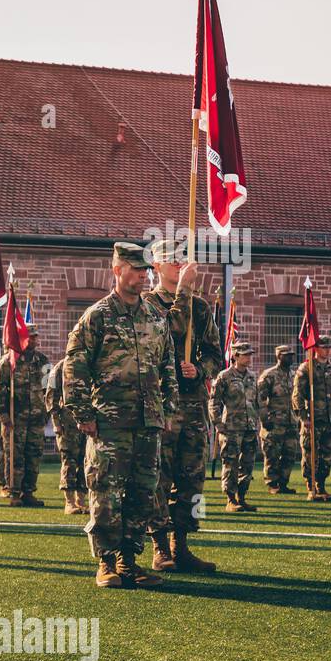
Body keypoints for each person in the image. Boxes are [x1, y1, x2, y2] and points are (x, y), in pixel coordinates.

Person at [64, 242, 178, 589]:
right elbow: (75, 365)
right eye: (136, 270)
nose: (143, 277)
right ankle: (107, 562)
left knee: (143, 493)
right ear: (117, 271)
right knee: (106, 493)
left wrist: (168, 407)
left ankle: (131, 562)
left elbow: (167, 364)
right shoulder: (97, 316)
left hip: (148, 422)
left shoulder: (156, 317)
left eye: (146, 271)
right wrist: (82, 412)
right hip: (109, 421)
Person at [143, 239, 222, 573]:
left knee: (192, 480)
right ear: (156, 267)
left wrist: (200, 369)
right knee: (158, 476)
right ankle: (160, 547)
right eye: (170, 260)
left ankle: (182, 544)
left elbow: (216, 355)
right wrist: (185, 291)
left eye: (182, 260)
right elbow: (167, 331)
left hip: (192, 405)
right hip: (161, 405)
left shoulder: (201, 308)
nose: (178, 265)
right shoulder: (147, 304)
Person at [0, 325, 47, 507]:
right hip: (15, 418)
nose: (34, 340)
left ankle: (29, 491)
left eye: (35, 337)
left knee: (33, 455)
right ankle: (14, 492)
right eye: (30, 337)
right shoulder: (7, 363)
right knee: (14, 456)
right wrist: (3, 415)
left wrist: (46, 411)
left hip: (37, 418)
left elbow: (50, 387)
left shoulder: (42, 360)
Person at [209, 342, 260, 513]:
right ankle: (230, 499)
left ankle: (242, 497)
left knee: (248, 464)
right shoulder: (224, 376)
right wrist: (217, 423)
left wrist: (258, 421)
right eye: (245, 354)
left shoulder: (252, 377)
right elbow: (214, 401)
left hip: (250, 427)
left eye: (250, 354)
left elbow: (256, 402)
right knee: (230, 462)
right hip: (231, 427)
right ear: (235, 356)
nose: (248, 357)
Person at [292, 337, 331, 502]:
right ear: (315, 348)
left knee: (326, 454)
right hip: (313, 418)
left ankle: (321, 486)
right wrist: (303, 416)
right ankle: (311, 486)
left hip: (329, 418)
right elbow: (297, 394)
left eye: (330, 347)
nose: (327, 350)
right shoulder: (307, 368)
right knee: (310, 453)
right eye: (324, 347)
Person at [46, 356, 88, 514]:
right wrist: (56, 423)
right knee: (69, 460)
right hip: (67, 423)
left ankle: (81, 500)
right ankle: (69, 502)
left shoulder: (87, 365)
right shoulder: (60, 367)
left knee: (85, 461)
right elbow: (51, 397)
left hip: (86, 421)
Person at [256, 344, 299, 495]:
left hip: (291, 422)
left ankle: (283, 483)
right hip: (274, 423)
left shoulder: (295, 375)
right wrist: (264, 419)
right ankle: (272, 483)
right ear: (279, 356)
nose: (290, 358)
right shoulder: (269, 375)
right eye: (287, 355)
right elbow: (260, 399)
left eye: (291, 355)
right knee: (272, 454)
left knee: (290, 454)